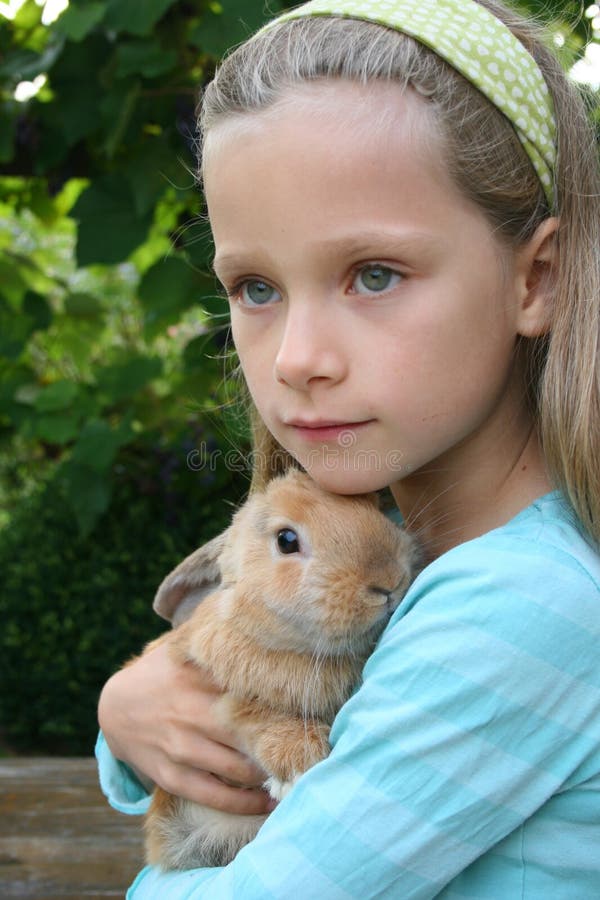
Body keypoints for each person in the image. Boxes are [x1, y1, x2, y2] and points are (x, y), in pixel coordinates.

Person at [96, 0, 600, 896]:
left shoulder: (524, 604)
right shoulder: (414, 551)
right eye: (255, 287)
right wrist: (127, 721)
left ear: (538, 279)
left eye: (374, 275)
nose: (295, 360)